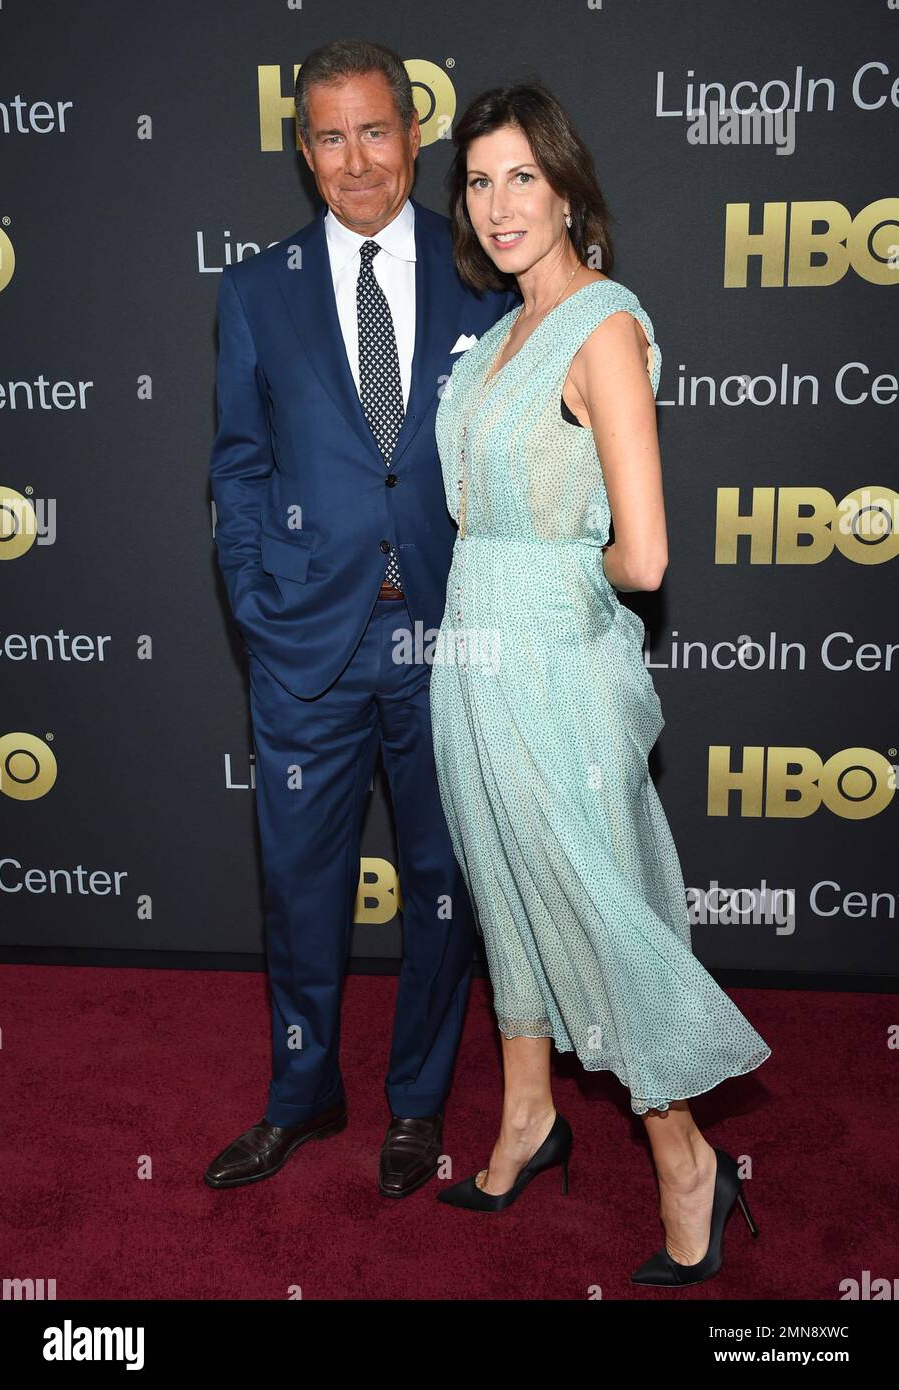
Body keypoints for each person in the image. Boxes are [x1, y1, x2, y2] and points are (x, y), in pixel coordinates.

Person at [428, 81, 772, 1286]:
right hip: (471, 657)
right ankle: (529, 1111)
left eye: (523, 174)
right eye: (478, 179)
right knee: (509, 890)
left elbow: (646, 552)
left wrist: (551, 586)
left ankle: (688, 1161)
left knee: (590, 902)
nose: (500, 201)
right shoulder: (502, 332)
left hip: (551, 660)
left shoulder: (600, 324)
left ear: (569, 187)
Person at [204, 40, 519, 1199]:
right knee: (299, 883)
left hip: (447, 636)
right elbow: (238, 466)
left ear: (414, 133)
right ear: (303, 150)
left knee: (442, 880)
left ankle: (418, 1103)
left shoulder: (484, 264)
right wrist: (256, 599)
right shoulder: (254, 290)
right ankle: (302, 1092)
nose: (355, 159)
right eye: (328, 136)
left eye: (374, 131)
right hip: (307, 641)